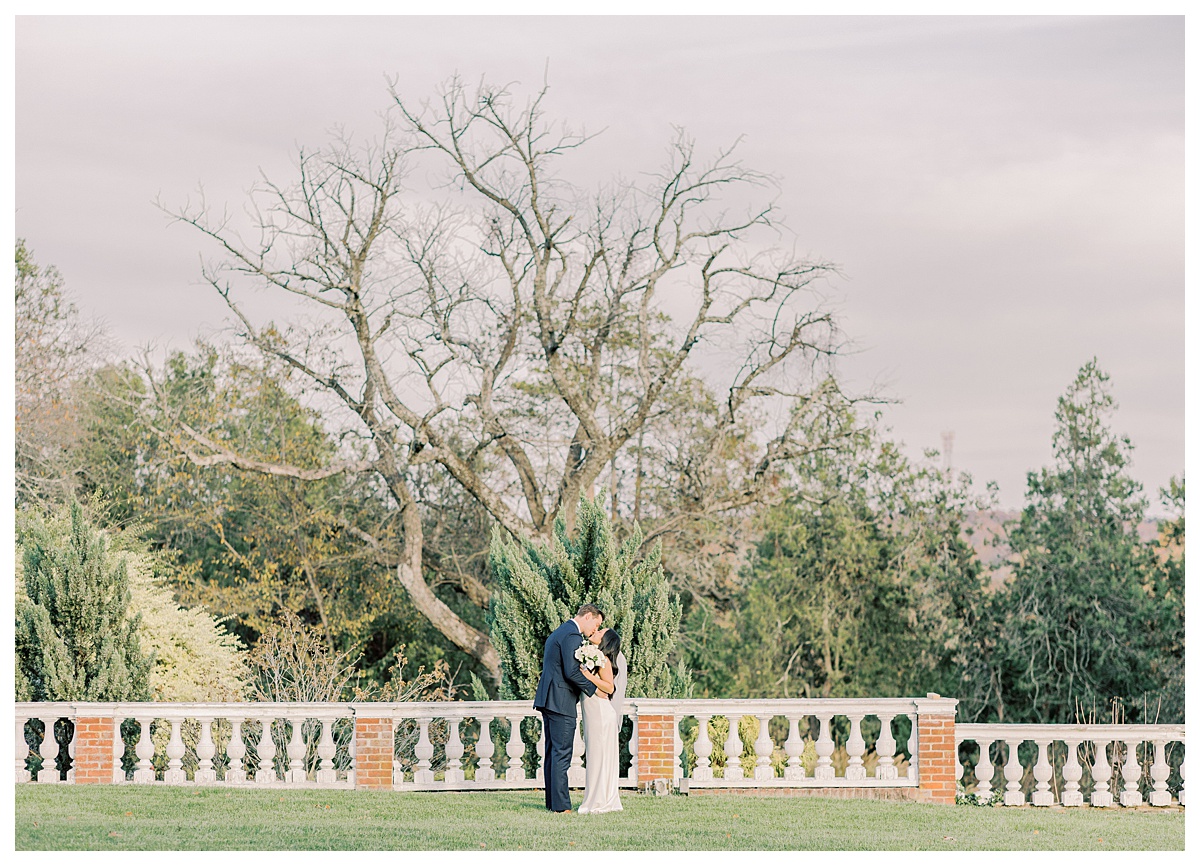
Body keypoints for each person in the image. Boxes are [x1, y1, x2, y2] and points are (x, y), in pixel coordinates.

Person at [532, 603, 603, 813]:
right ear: (588, 616)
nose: (595, 631)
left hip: (549, 698)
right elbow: (572, 672)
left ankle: (552, 802)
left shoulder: (561, 631)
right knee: (562, 753)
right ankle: (562, 806)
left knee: (553, 752)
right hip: (560, 701)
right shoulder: (572, 635)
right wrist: (594, 689)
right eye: (596, 625)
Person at [576, 627, 625, 814]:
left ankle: (601, 801)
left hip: (602, 715)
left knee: (600, 757)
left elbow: (610, 688)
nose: (595, 633)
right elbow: (600, 690)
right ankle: (596, 797)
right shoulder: (595, 658)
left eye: (599, 633)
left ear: (605, 640)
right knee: (595, 757)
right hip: (594, 714)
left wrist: (588, 677)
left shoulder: (603, 660)